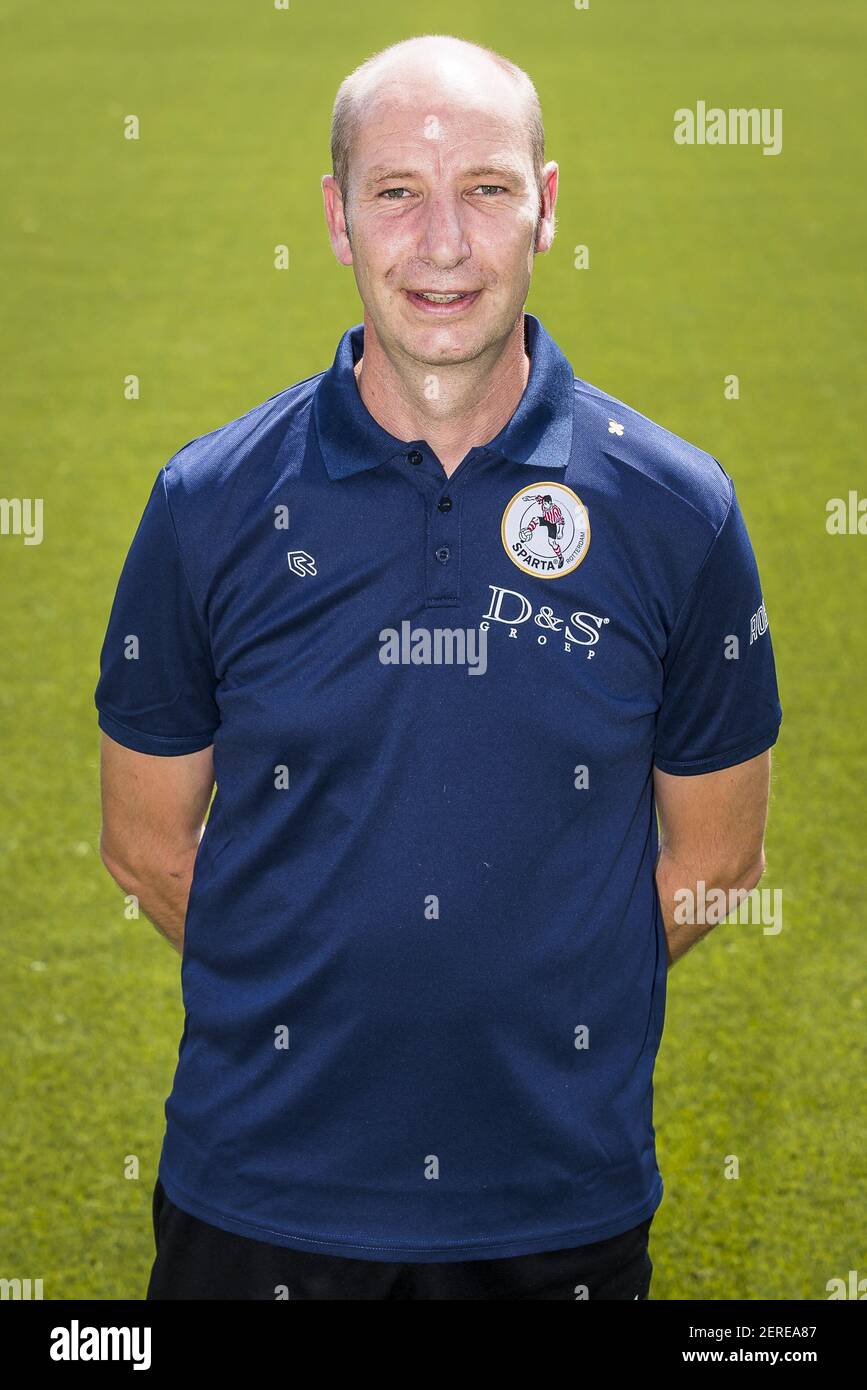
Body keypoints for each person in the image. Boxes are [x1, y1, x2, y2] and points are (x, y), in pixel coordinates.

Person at [95, 33, 782, 1300]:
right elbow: (145, 842)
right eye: (398, 192)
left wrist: (521, 992)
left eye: (486, 187)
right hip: (259, 1193)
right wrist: (328, 989)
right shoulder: (209, 502)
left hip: (553, 1202)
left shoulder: (676, 511)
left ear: (548, 205)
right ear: (339, 219)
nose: (445, 243)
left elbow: (717, 862)